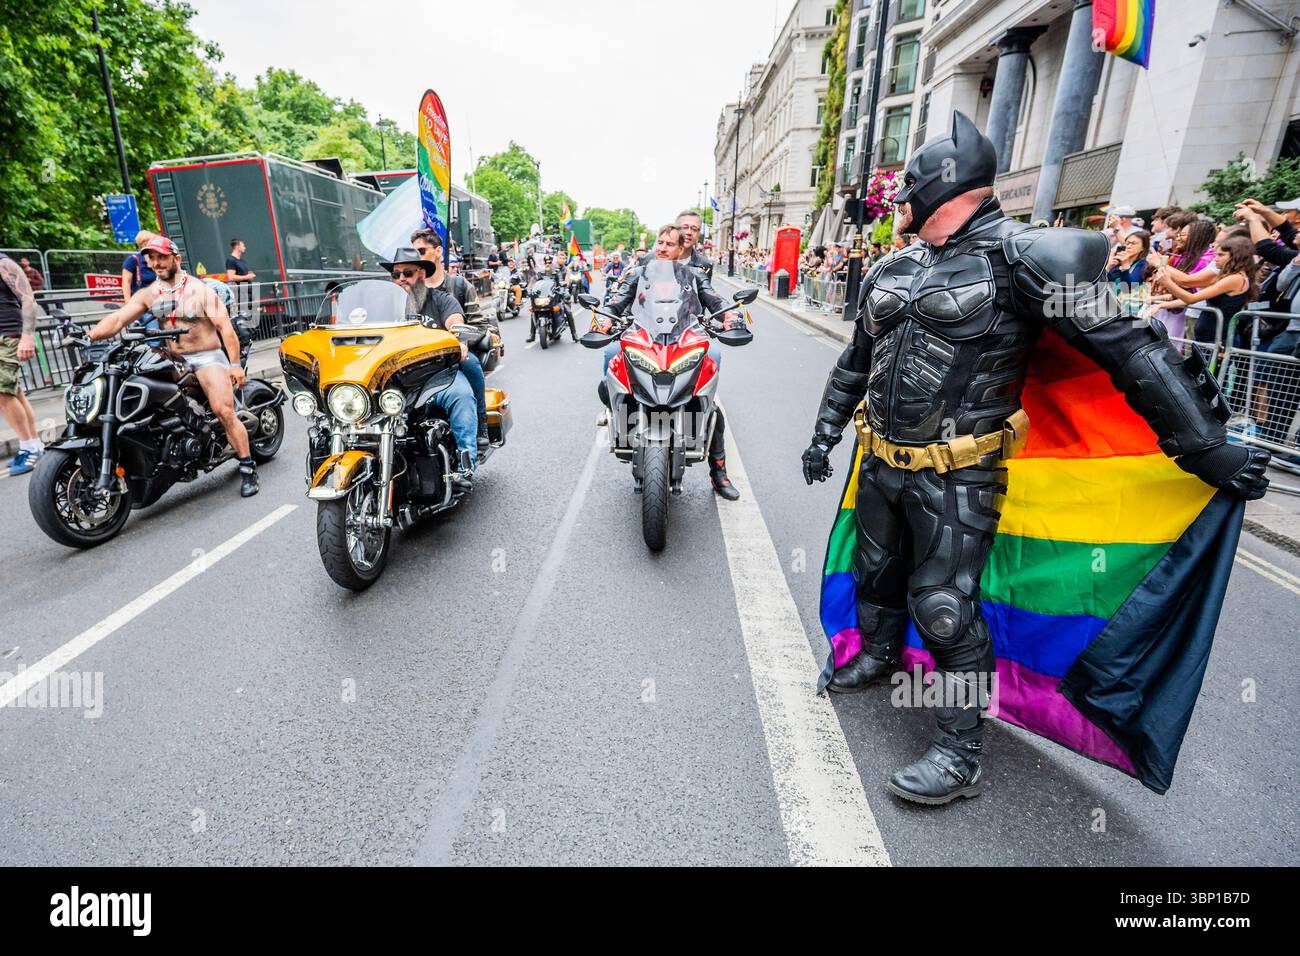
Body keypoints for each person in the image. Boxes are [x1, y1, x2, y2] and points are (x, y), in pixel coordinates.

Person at [801, 112, 1269, 806]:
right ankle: (875, 654)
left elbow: (1129, 348)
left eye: (909, 189)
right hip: (880, 462)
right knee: (877, 573)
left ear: (945, 188)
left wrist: (1204, 445)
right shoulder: (895, 266)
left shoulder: (1025, 258)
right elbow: (855, 361)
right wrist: (824, 433)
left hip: (960, 472)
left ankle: (959, 751)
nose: (898, 203)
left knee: (943, 604)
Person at [88, 236, 259, 497]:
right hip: (172, 358)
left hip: (206, 357)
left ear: (175, 259)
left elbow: (225, 328)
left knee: (222, 410)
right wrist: (91, 335)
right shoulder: (149, 294)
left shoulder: (199, 290)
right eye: (151, 258)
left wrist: (234, 364)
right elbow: (119, 318)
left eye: (162, 257)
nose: (156, 263)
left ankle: (247, 467)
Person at [601, 224, 741, 499]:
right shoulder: (639, 274)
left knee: (712, 376)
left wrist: (728, 317)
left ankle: (718, 472)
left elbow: (714, 299)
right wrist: (605, 317)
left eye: (669, 244)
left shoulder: (694, 275)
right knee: (610, 356)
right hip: (645, 336)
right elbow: (617, 301)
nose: (663, 247)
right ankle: (614, 406)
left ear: (681, 248)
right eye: (660, 242)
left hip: (684, 338)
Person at [383, 247, 480, 488]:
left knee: (462, 397)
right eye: (396, 275)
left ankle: (465, 464)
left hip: (437, 377)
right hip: (395, 381)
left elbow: (455, 319)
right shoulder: (384, 308)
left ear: (422, 275)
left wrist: (458, 337)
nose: (401, 279)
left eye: (407, 272)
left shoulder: (440, 300)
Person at [411, 229, 489, 448]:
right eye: (413, 252)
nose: (417, 255)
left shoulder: (459, 286)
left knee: (470, 363)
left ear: (438, 251)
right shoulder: (410, 290)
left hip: (455, 354)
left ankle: (481, 422)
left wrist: (460, 341)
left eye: (422, 250)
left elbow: (480, 324)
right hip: (417, 358)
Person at [1154, 235, 1257, 345]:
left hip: (1216, 339)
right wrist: (1161, 305)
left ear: (1236, 257)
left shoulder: (1235, 278)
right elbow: (1197, 298)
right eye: (1216, 255)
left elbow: (1191, 297)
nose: (1215, 259)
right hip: (1208, 337)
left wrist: (1167, 282)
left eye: (1221, 255)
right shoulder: (1230, 276)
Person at [0, 253, 46, 475]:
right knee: (14, 392)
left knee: (3, 393)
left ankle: (28, 448)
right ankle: (35, 444)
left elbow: (28, 298)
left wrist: (27, 336)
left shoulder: (3, 263)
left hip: (8, 334)